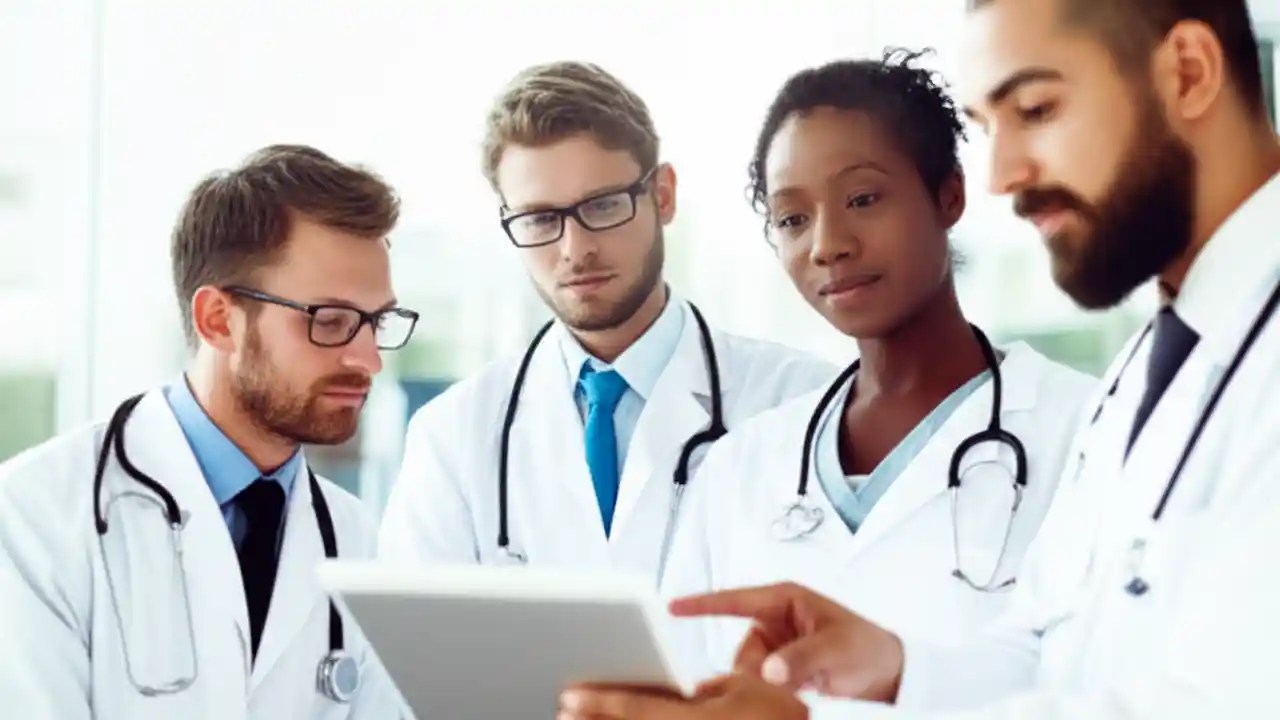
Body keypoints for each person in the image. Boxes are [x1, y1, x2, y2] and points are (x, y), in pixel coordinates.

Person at [557, 0, 1280, 717]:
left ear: (1188, 73)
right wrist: (895, 669)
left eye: (1035, 109)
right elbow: (1048, 658)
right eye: (986, 127)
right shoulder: (1147, 375)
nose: (1001, 176)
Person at [655, 51, 1094, 685]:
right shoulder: (740, 469)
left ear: (949, 195)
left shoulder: (1084, 433)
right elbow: (686, 687)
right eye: (792, 219)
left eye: (862, 198)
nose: (828, 243)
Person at [0, 145, 417, 718]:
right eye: (332, 322)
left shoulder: (355, 539)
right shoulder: (34, 515)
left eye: (376, 323)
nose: (369, 360)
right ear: (218, 320)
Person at [378, 62, 836, 582]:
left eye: (603, 206)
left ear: (663, 195)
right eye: (540, 219)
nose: (576, 250)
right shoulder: (452, 436)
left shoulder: (802, 403)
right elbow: (422, 653)